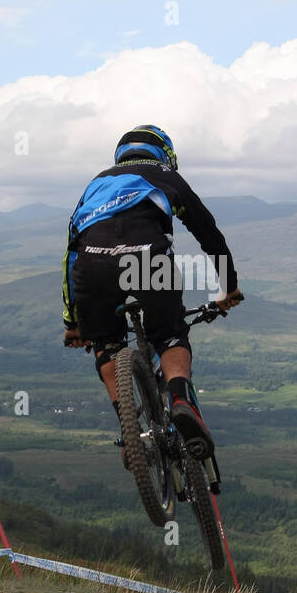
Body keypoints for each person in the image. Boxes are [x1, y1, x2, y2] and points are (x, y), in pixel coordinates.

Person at [61, 125, 243, 462]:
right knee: (171, 335)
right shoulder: (165, 175)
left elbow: (71, 253)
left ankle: (132, 435)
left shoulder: (96, 184)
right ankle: (180, 401)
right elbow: (208, 232)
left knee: (107, 347)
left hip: (92, 266)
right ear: (167, 154)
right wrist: (228, 286)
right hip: (147, 260)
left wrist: (73, 321)